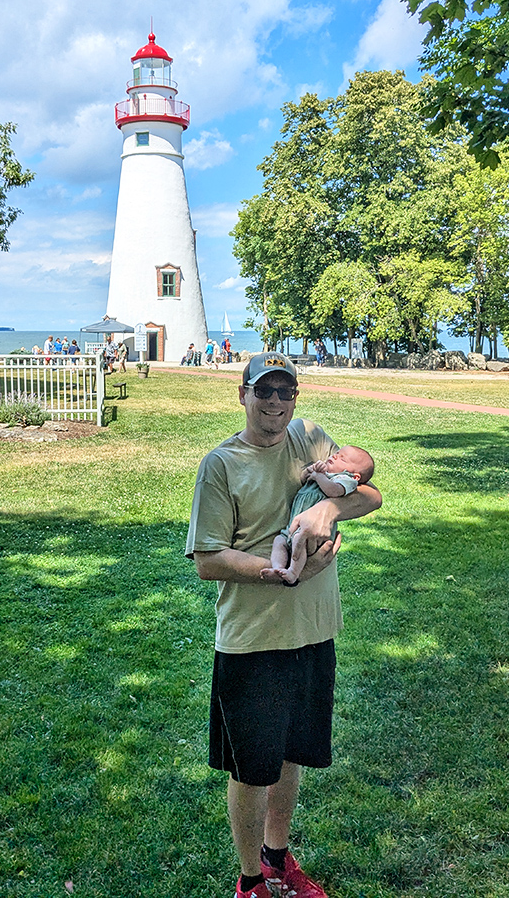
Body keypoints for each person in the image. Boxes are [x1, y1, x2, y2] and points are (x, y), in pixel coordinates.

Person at [186, 352, 381, 898]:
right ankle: (251, 881)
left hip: (314, 633)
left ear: (296, 397)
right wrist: (282, 575)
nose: (274, 401)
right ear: (242, 394)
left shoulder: (310, 438)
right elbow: (207, 560)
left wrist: (328, 512)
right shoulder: (221, 464)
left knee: (291, 754)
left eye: (284, 391)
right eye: (263, 390)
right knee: (252, 769)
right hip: (254, 640)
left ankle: (277, 857)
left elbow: (369, 493)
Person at [262, 445, 375, 586]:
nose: (334, 456)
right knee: (279, 541)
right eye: (337, 453)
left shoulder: (345, 480)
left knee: (300, 542)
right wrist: (309, 472)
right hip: (293, 525)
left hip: (312, 531)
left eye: (342, 459)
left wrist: (319, 476)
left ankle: (293, 573)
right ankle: (277, 568)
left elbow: (333, 491)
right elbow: (303, 480)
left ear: (355, 475)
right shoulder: (324, 473)